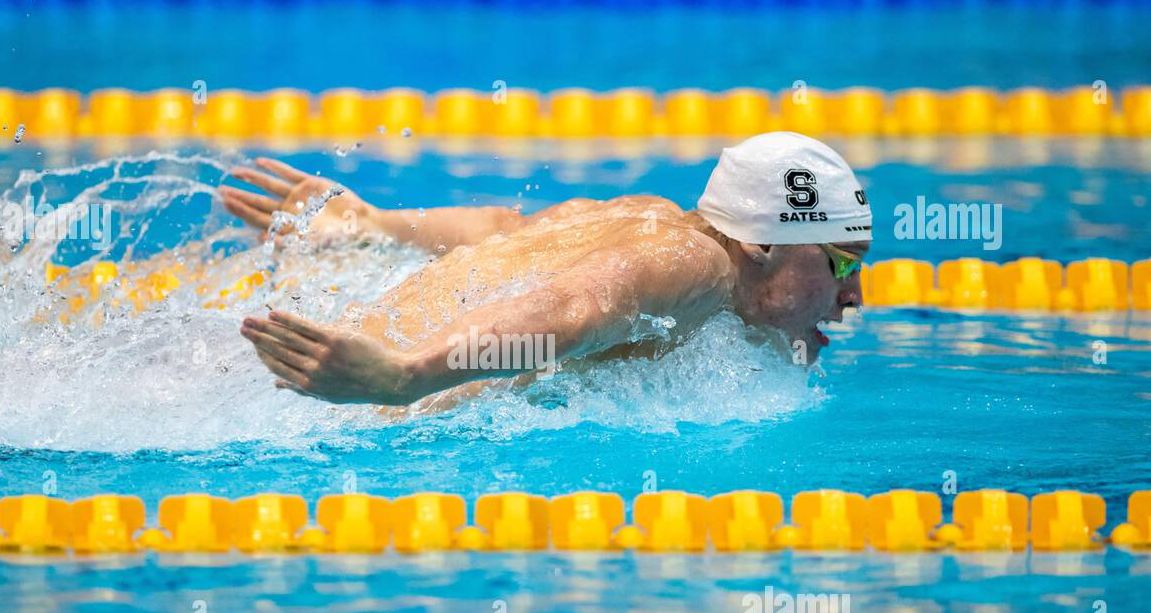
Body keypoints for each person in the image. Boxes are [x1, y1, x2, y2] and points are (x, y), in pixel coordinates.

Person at [223, 131, 869, 406]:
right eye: (842, 260)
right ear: (761, 246)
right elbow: (577, 308)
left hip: (307, 365)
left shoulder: (643, 215)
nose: (853, 294)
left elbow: (504, 229)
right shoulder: (698, 265)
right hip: (356, 395)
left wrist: (377, 226)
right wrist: (404, 376)